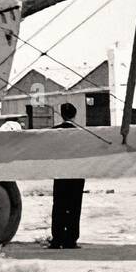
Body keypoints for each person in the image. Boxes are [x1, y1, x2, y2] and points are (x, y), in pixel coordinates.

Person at [49, 102, 85, 249]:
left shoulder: (53, 132)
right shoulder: (81, 133)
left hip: (60, 174)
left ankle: (57, 239)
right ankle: (71, 239)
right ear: (75, 115)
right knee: (74, 207)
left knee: (59, 206)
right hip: (76, 175)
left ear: (61, 114)